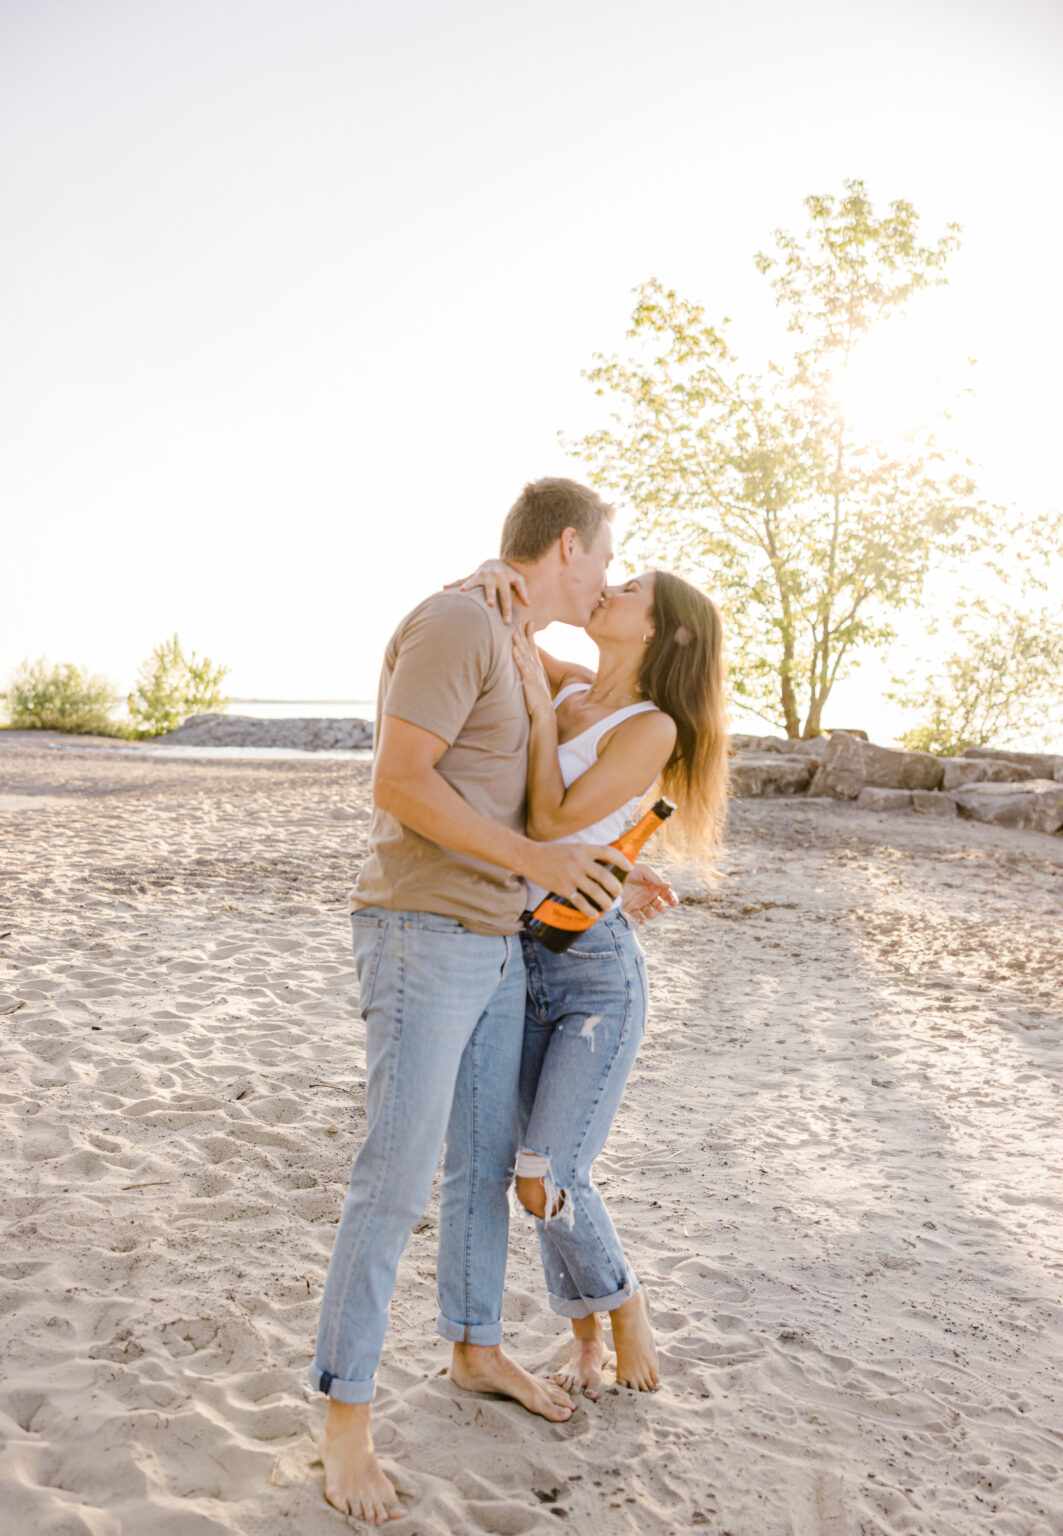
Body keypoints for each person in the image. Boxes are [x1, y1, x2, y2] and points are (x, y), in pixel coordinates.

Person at [309, 478, 671, 1526]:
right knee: (394, 1176)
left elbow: (549, 747)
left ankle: (473, 1347)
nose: (608, 579)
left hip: (497, 942)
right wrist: (537, 863)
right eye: (606, 559)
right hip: (422, 935)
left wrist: (594, 867)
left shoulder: (515, 636)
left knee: (478, 1167)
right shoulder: (459, 618)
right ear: (569, 546)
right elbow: (400, 781)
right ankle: (345, 1418)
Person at [461, 557, 728, 1400]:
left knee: (547, 1172)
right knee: (539, 1172)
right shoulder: (573, 685)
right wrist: (486, 577)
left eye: (629, 591)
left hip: (593, 978)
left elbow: (544, 819)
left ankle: (624, 1304)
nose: (606, 591)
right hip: (517, 956)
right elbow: (502, 623)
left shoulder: (652, 728)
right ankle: (583, 1339)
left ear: (659, 629)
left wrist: (540, 713)